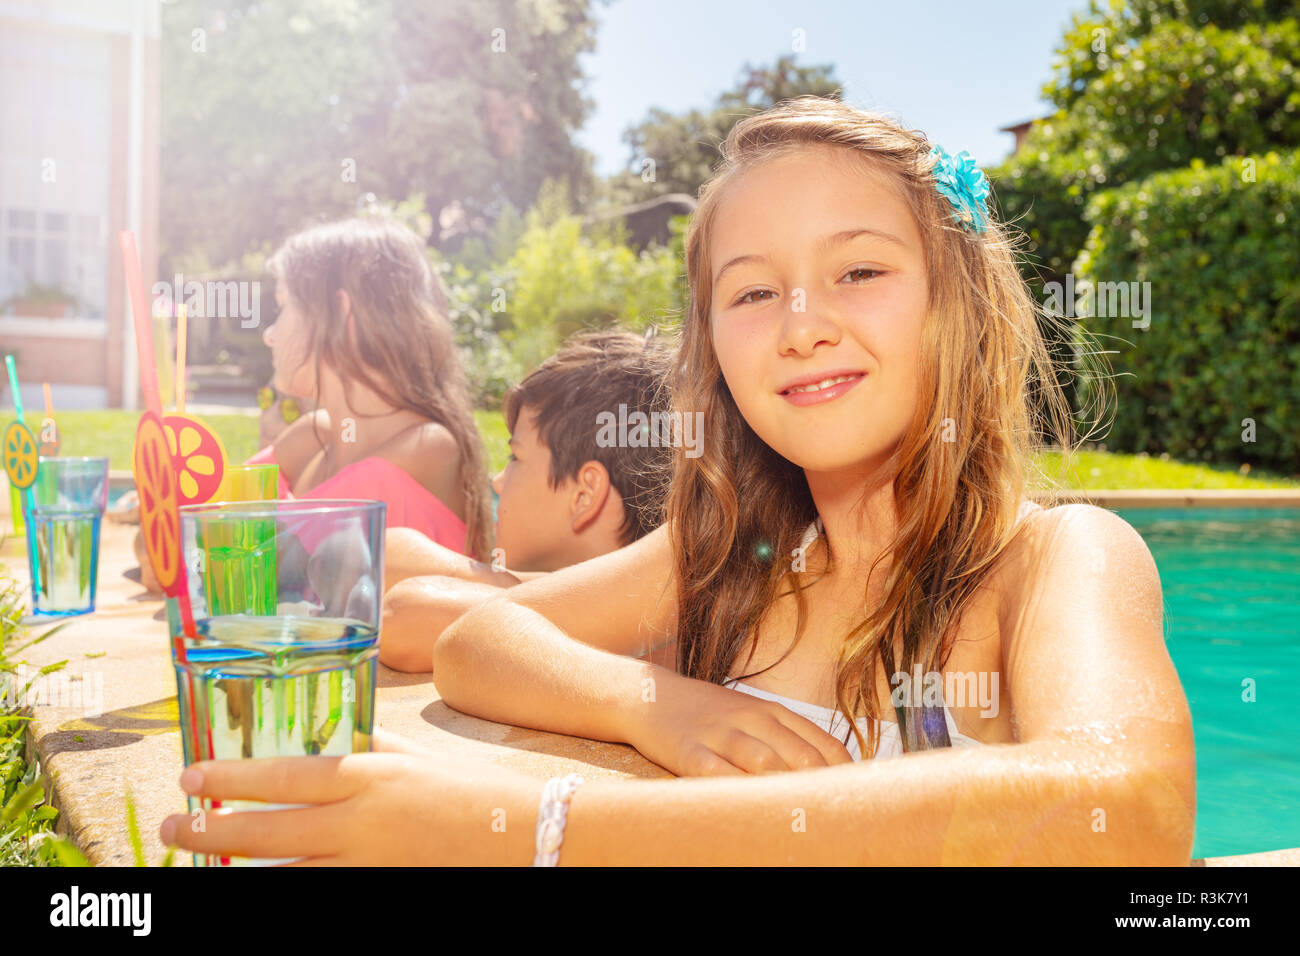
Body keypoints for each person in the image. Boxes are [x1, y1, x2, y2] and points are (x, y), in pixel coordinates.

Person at [160, 98, 1195, 865]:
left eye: (860, 271)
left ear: (954, 303)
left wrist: (531, 826)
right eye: (751, 291)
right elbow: (480, 643)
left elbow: (1127, 803)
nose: (800, 323)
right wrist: (653, 703)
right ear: (715, 349)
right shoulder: (738, 556)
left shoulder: (1053, 559)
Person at [126, 218, 494, 591]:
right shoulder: (310, 437)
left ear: (340, 313)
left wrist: (183, 541)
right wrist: (171, 532)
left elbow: (249, 563)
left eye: (284, 306)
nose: (270, 334)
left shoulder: (426, 449)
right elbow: (175, 541)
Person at [380, 328, 677, 671]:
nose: (497, 480)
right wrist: (519, 586)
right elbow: (390, 554)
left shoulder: (653, 642)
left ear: (584, 495)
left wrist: (513, 589)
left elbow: (404, 616)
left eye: (515, 458)